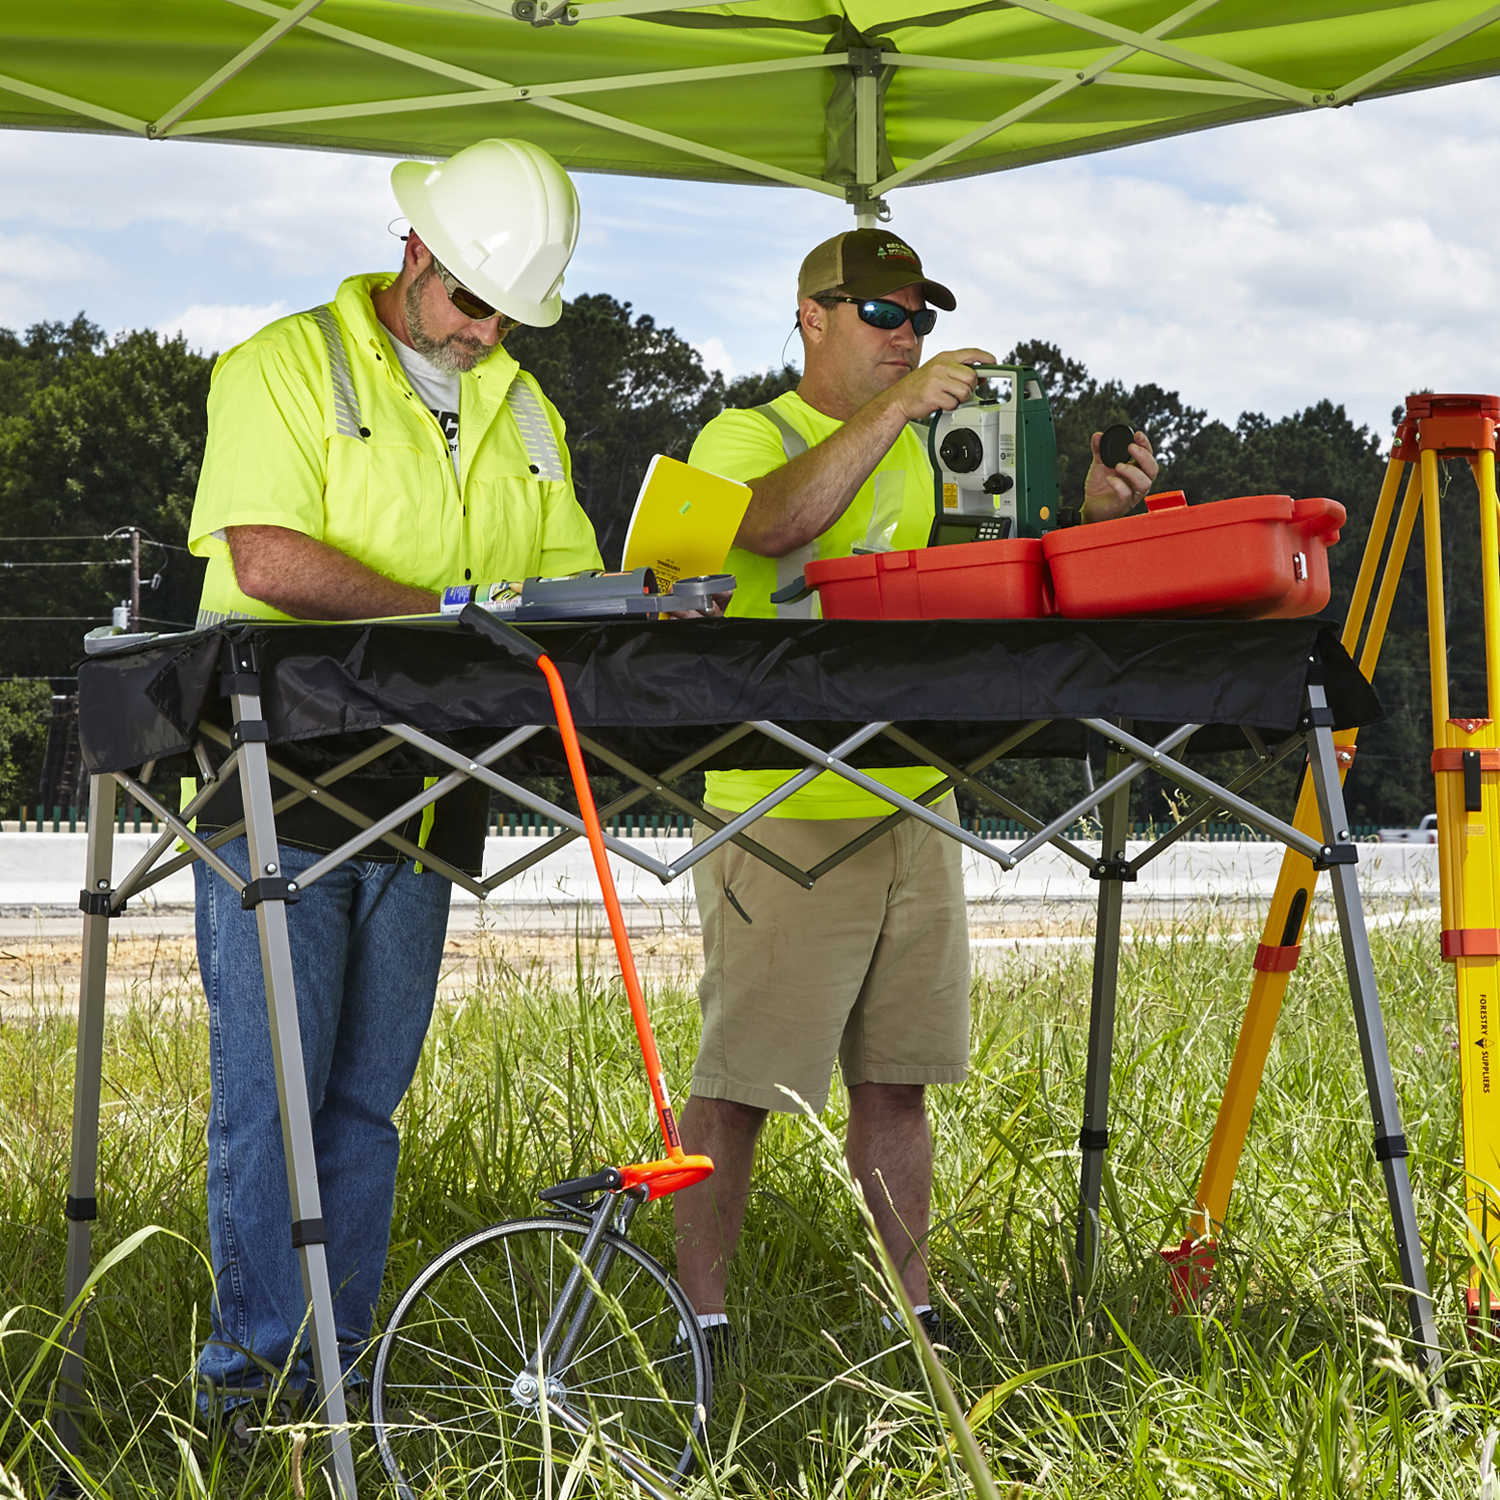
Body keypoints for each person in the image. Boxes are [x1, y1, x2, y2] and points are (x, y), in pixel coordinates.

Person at [672, 228, 1158, 1358]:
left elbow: (994, 587)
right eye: (885, 315)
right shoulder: (746, 433)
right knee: (741, 1085)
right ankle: (699, 1317)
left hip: (912, 797)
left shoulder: (931, 454)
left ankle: (916, 1322)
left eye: (922, 319)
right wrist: (897, 412)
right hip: (778, 803)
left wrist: (1086, 517)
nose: (910, 338)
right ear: (812, 317)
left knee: (899, 1083)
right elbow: (769, 524)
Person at [185, 138, 602, 1434]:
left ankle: (337, 1370)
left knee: (364, 1106)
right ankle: (251, 1394)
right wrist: (456, 609)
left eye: (510, 312)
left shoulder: (527, 408)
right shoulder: (280, 368)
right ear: (413, 250)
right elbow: (266, 559)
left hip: (433, 791)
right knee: (277, 1103)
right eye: (473, 300)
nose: (486, 333)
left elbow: (568, 583)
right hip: (279, 778)